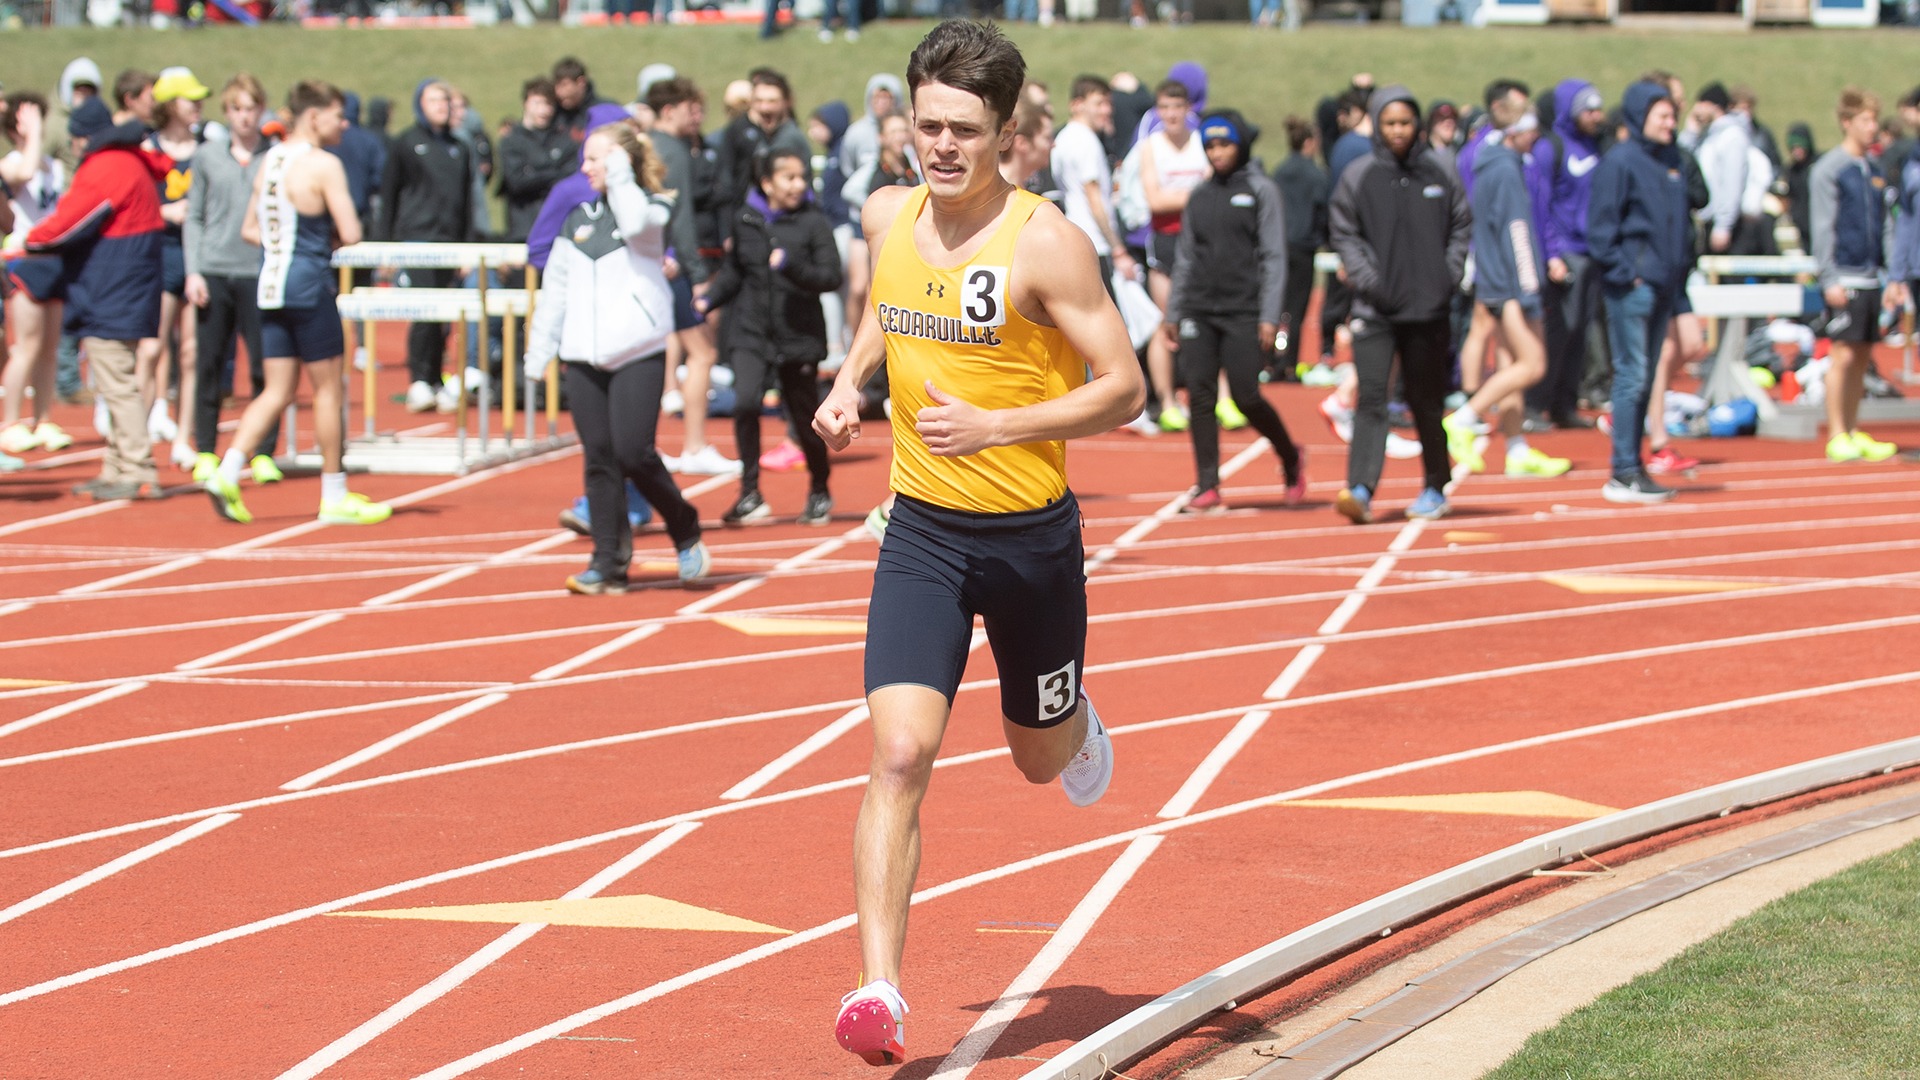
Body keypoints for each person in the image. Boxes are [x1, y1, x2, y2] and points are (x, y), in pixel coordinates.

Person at [812, 21, 1143, 1066]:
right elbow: (885, 306)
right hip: (922, 533)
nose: (941, 147)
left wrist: (999, 426)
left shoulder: (1045, 240)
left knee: (1041, 764)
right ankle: (876, 990)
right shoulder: (885, 213)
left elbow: (1126, 388)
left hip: (1031, 540)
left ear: (1006, 133)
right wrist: (848, 380)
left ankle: (1076, 719)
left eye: (965, 130)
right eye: (927, 125)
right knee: (900, 752)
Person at [525, 122, 711, 591]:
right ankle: (608, 561)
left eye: (596, 158)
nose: (584, 167)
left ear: (621, 162)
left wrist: (624, 175)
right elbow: (556, 291)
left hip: (637, 349)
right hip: (583, 357)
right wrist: (539, 352)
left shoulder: (650, 209)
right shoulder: (577, 219)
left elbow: (633, 223)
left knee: (634, 451)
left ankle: (684, 526)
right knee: (599, 458)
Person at [203, 80, 389, 527]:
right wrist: (314, 240)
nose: (343, 124)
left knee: (277, 389)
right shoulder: (323, 164)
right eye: (336, 115)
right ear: (313, 116)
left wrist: (283, 242)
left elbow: (250, 229)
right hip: (307, 285)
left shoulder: (269, 160)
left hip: (270, 285)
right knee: (329, 389)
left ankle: (226, 470)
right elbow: (351, 230)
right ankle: (334, 492)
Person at [1328, 85, 1469, 525]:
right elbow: (1343, 231)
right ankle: (1361, 489)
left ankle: (1434, 485)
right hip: (1376, 311)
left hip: (1429, 310)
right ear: (1378, 125)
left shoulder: (1440, 171)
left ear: (1418, 125)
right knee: (1371, 398)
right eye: (1389, 123)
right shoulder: (1359, 174)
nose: (1398, 131)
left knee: (1427, 402)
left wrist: (1446, 275)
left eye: (1405, 122)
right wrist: (1370, 281)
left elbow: (1462, 224)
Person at [22, 97, 170, 501]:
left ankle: (139, 467)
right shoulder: (130, 159)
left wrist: (26, 242)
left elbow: (69, 222)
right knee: (113, 376)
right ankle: (117, 466)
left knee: (117, 380)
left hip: (114, 284)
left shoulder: (106, 166)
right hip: (127, 281)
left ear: (81, 139)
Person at [1159, 109, 1305, 513]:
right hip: (1199, 309)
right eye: (1209, 145)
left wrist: (1268, 316)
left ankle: (1291, 456)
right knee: (1200, 396)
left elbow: (1275, 257)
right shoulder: (1200, 195)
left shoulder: (1261, 190)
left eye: (1224, 144)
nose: (1217, 152)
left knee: (1246, 396)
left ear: (1240, 145)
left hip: (1244, 309)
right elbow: (1186, 257)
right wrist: (1173, 312)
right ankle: (1207, 484)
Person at [700, 147, 842, 526]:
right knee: (745, 403)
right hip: (751, 332)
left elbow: (831, 276)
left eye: (801, 178)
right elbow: (734, 271)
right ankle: (750, 492)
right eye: (789, 177)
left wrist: (792, 266)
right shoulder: (746, 219)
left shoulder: (812, 223)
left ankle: (819, 488)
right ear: (767, 183)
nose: (798, 185)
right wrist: (708, 300)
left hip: (797, 336)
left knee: (804, 417)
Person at [1442, 107, 1572, 484]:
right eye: (1531, 130)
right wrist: (1528, 286)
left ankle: (1516, 448)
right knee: (1533, 364)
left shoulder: (1491, 164)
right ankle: (1464, 418)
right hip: (1513, 285)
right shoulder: (1506, 170)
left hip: (1498, 280)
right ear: (1514, 131)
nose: (1537, 138)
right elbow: (1517, 230)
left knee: (1509, 366)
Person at [1587, 80, 1692, 504]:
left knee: (1646, 377)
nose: (1671, 123)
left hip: (1664, 284)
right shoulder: (1620, 162)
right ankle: (1623, 469)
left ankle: (1635, 464)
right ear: (1639, 116)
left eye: (1673, 116)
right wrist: (1627, 272)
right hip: (1634, 286)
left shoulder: (1671, 161)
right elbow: (1601, 229)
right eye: (1663, 115)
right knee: (1631, 374)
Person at [183, 72, 281, 487]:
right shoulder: (207, 155)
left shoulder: (275, 155)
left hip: (258, 272)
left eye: (251, 109)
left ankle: (262, 452)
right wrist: (194, 271)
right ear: (227, 113)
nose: (244, 117)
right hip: (216, 270)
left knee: (265, 365)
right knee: (210, 363)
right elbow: (195, 215)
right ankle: (205, 448)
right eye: (236, 109)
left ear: (261, 111)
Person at [1813, 88, 1907, 463]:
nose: (1873, 128)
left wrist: (1892, 275)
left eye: (1874, 120)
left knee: (1865, 354)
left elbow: (1886, 226)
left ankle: (1852, 428)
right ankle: (1836, 431)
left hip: (1871, 276)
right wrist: (1828, 276)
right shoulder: (1830, 169)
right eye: (1866, 120)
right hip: (1844, 275)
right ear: (1847, 122)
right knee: (1843, 355)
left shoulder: (1874, 169)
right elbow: (1823, 226)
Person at [378, 80, 474, 415]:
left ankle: (436, 376)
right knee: (422, 310)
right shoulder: (406, 143)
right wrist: (386, 246)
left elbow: (466, 202)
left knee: (445, 313)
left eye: (446, 100)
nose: (441, 106)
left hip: (449, 241)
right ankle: (419, 377)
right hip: (415, 238)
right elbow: (389, 196)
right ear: (420, 103)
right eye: (434, 100)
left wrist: (466, 247)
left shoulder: (459, 148)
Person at [139, 67, 209, 471]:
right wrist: (166, 211)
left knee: (192, 351)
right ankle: (141, 431)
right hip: (160, 253)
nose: (197, 105)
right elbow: (134, 201)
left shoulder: (206, 147)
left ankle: (185, 436)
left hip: (196, 255)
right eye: (189, 99)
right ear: (169, 105)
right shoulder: (147, 149)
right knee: (151, 347)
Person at [0, 91, 73, 461]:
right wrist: (29, 135)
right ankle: (10, 423)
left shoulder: (52, 166)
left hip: (52, 258)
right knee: (26, 346)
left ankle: (43, 418)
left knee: (48, 348)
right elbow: (24, 173)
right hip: (24, 259)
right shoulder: (12, 162)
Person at [1532, 79, 1607, 432]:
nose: (1596, 116)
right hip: (1565, 252)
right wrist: (1551, 253)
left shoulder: (1596, 146)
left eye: (1598, 108)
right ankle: (1535, 402)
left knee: (1582, 332)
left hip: (1592, 251)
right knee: (1558, 329)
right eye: (1588, 109)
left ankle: (1565, 402)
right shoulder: (1552, 148)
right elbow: (1541, 204)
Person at [1137, 79, 1210, 432]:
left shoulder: (1201, 143)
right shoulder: (1150, 147)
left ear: (1188, 110)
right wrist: (1195, 195)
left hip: (1201, 242)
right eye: (1164, 108)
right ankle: (1166, 401)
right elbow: (1155, 200)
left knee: (1207, 319)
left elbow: (1209, 193)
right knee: (1167, 323)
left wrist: (1178, 196)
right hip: (1165, 242)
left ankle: (1211, 397)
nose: (1170, 115)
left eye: (1176, 108)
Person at [1052, 75, 1138, 289]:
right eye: (1099, 103)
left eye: (1108, 104)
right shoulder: (1085, 142)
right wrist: (1117, 248)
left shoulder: (1064, 137)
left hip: (1076, 240)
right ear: (1077, 105)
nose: (1107, 111)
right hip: (1096, 244)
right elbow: (1094, 199)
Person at [1272, 116, 1328, 381]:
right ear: (1309, 142)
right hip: (1304, 248)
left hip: (1281, 245)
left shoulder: (1281, 171)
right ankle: (1290, 364)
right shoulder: (1316, 175)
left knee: (1279, 306)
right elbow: (1322, 211)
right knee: (1297, 308)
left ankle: (1273, 360)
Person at [497, 78, 574, 247]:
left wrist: (533, 172)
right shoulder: (511, 141)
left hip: (559, 230)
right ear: (525, 103)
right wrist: (554, 171)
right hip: (523, 231)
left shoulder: (564, 139)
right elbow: (517, 182)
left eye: (549, 104)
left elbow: (570, 177)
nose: (544, 110)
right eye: (538, 103)